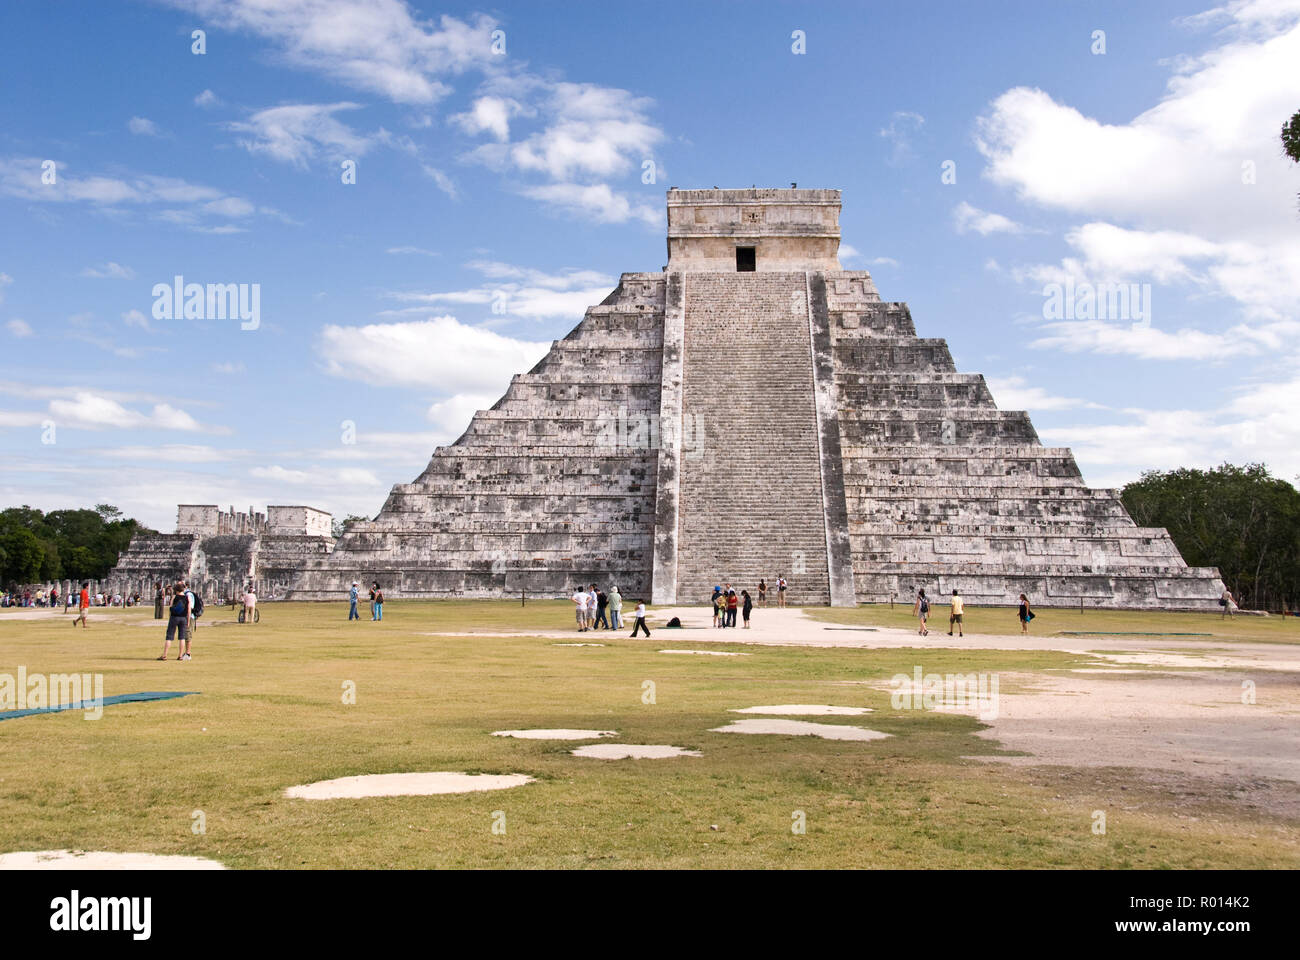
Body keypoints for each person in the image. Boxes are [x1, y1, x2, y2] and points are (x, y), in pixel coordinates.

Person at [158, 583, 189, 660]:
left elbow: (170, 607)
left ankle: (164, 655)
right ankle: (180, 656)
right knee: (182, 637)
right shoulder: (187, 598)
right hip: (183, 618)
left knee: (169, 637)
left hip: (174, 617)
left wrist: (170, 617)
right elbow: (188, 610)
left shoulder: (175, 597)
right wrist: (188, 621)